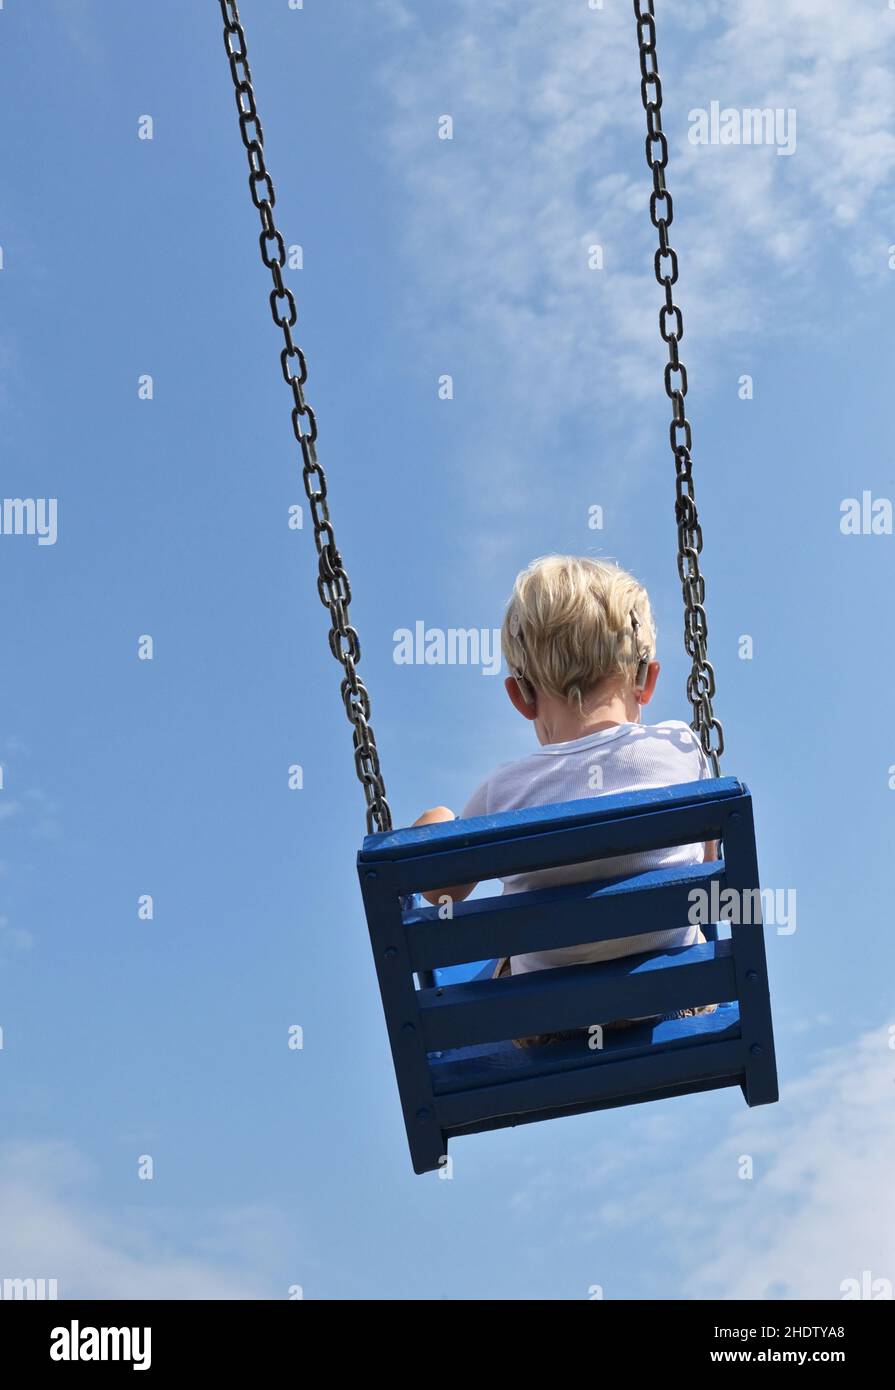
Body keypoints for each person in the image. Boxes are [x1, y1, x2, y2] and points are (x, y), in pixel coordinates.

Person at [414, 554, 717, 1045]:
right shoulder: (681, 750)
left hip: (548, 1021)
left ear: (520, 696)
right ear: (647, 680)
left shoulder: (504, 791)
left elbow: (439, 891)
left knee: (494, 965)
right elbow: (708, 862)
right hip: (673, 996)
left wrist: (437, 822)